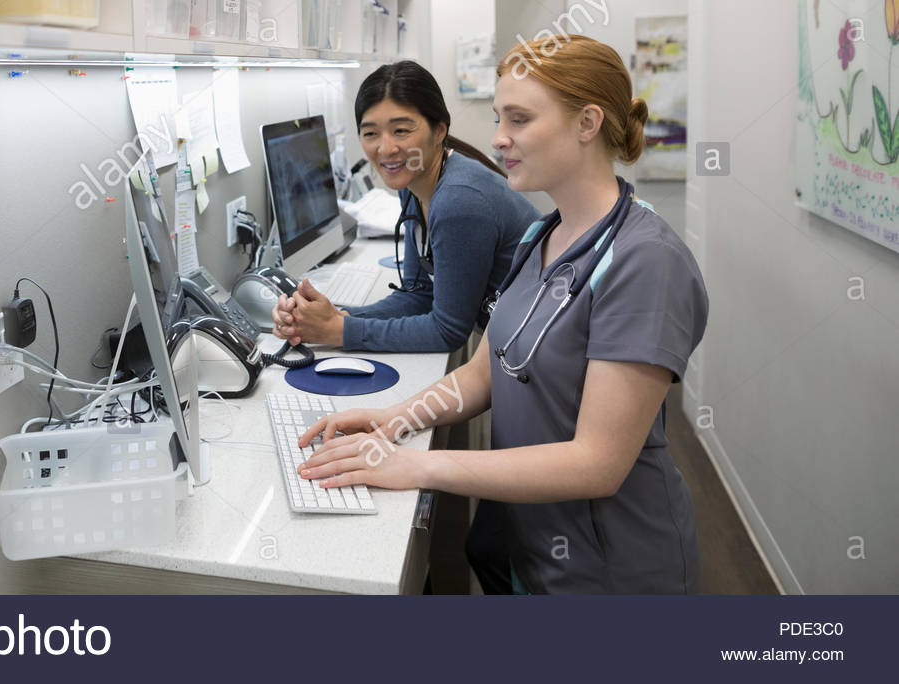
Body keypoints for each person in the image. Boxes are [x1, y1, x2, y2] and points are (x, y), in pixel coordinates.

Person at [296, 35, 709, 594]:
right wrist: (396, 417)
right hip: (528, 535)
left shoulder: (645, 264)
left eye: (519, 118)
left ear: (587, 123)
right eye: (498, 117)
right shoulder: (544, 235)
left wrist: (420, 467)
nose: (498, 138)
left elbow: (598, 463)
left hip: (610, 566)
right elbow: (485, 371)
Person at [272, 60, 539, 353]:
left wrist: (339, 331)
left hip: (539, 356)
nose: (386, 149)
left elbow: (447, 331)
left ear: (439, 131)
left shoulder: (458, 200)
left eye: (400, 130)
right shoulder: (414, 185)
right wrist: (329, 319)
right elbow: (418, 294)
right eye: (370, 133)